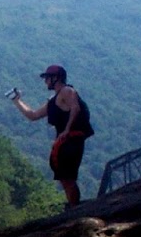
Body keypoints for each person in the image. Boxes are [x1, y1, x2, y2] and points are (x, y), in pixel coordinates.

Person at [10, 64, 94, 206]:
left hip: (71, 139)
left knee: (68, 177)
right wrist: (17, 101)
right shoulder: (53, 101)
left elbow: (75, 108)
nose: (45, 81)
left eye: (48, 78)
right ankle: (74, 206)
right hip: (65, 142)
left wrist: (67, 129)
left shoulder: (67, 91)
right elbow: (33, 115)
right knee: (65, 178)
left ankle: (76, 208)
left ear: (56, 78)